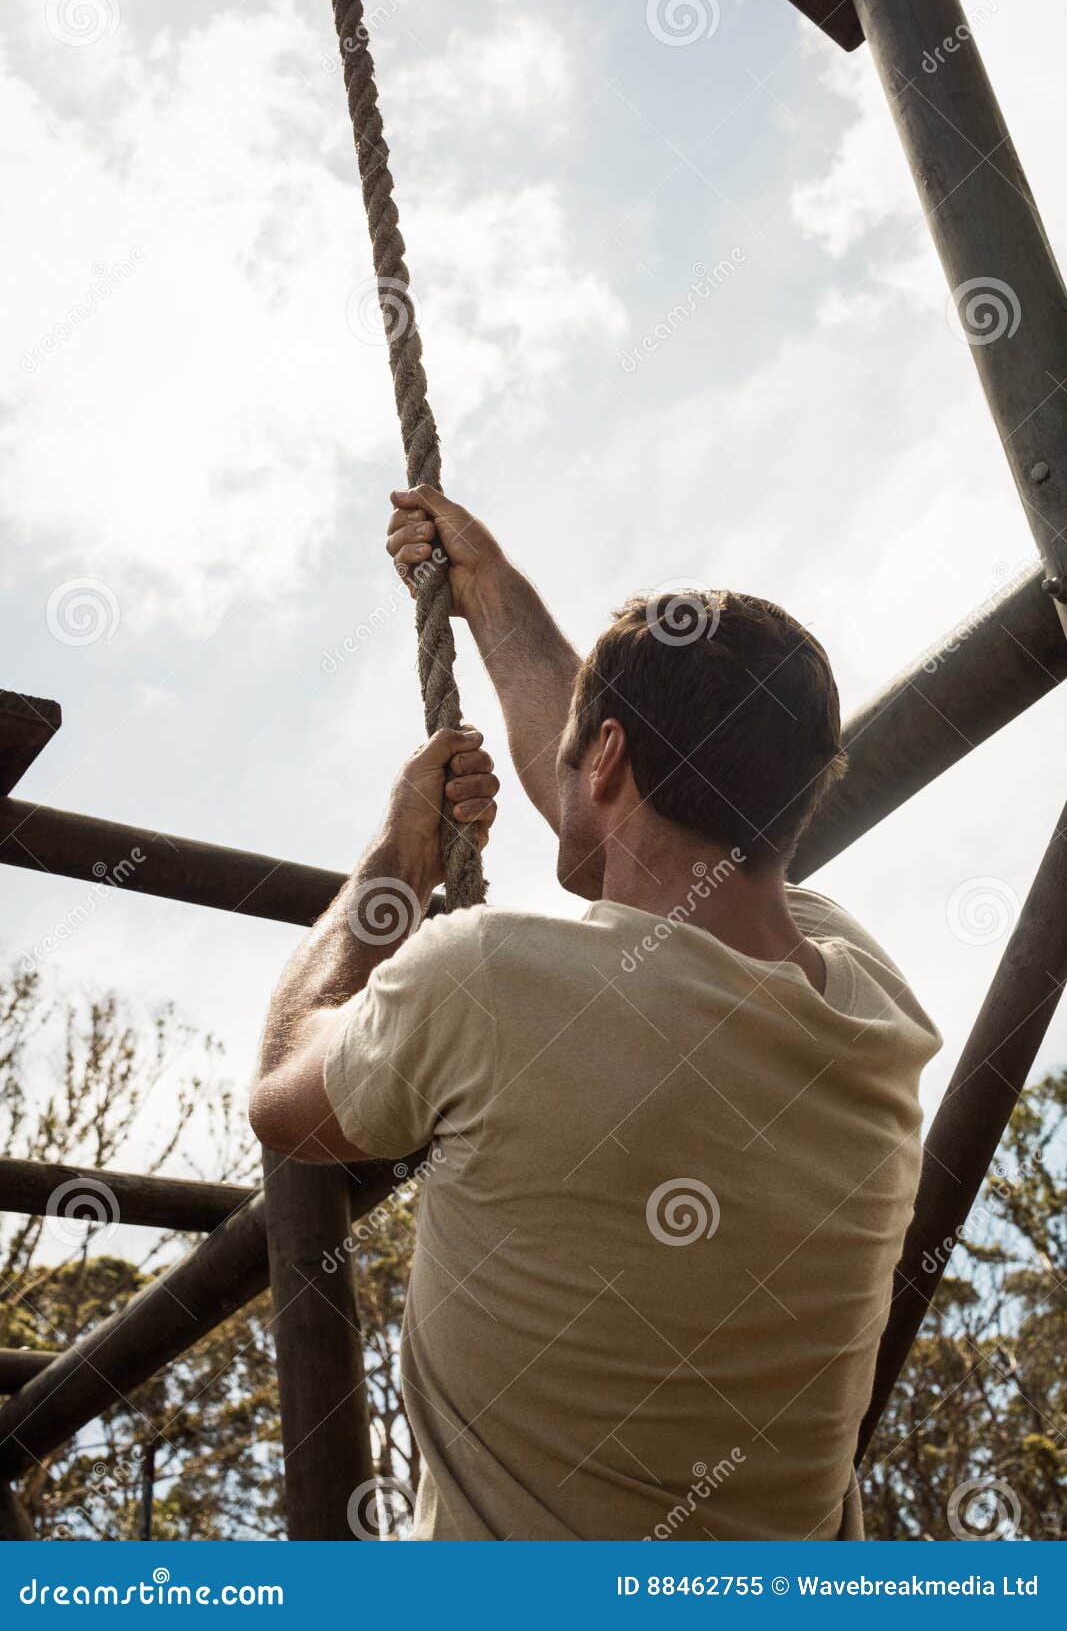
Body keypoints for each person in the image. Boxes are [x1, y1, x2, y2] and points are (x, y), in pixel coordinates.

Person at [250, 485, 941, 1541]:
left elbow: (282, 1092)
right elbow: (619, 832)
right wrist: (486, 591)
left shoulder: (479, 977)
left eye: (586, 744)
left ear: (609, 756)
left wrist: (393, 860)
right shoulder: (865, 996)